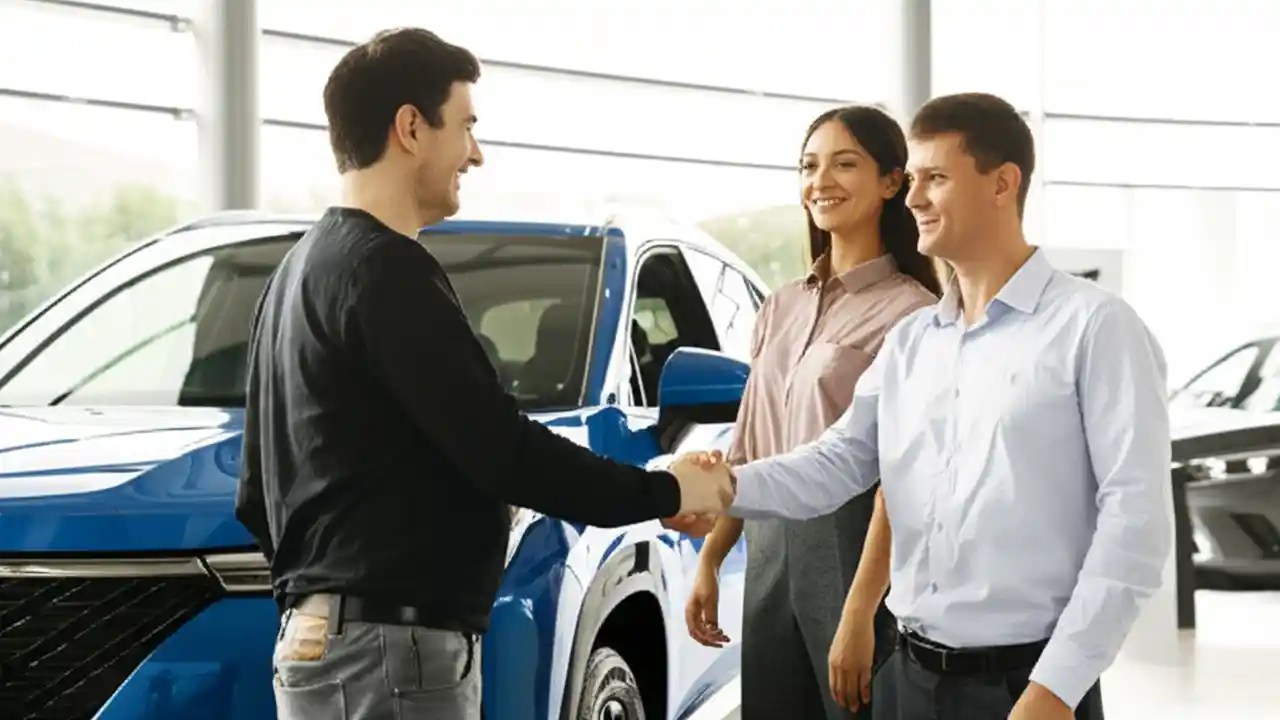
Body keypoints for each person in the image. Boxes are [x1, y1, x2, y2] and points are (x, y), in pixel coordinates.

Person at [233, 28, 731, 720]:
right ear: (411, 127)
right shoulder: (387, 270)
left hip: (324, 644)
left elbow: (256, 493)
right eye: (465, 126)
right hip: (392, 651)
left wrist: (326, 596)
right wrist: (667, 486)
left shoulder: (296, 273)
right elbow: (501, 450)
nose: (475, 152)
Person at [688, 92, 1172, 720]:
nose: (912, 197)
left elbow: (1135, 525)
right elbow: (837, 461)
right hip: (910, 681)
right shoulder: (916, 342)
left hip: (1026, 685)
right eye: (912, 179)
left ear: (1003, 184)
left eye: (935, 178)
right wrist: (722, 486)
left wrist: (1056, 687)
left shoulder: (1095, 328)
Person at [683, 105, 939, 720]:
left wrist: (858, 616)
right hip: (768, 548)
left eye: (844, 164)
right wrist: (711, 560)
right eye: (809, 165)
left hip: (854, 548)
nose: (820, 180)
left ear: (890, 182)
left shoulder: (915, 313)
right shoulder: (778, 307)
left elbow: (901, 481)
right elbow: (750, 451)